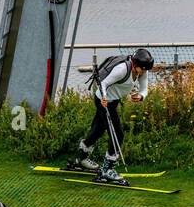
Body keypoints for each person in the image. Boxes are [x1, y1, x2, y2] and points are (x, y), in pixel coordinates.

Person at [66, 47, 155, 185]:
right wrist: (105, 98)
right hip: (104, 101)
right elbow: (103, 83)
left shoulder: (142, 70)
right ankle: (107, 170)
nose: (143, 72)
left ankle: (79, 159)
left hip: (113, 102)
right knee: (117, 134)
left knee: (97, 130)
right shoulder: (122, 69)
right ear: (135, 64)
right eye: (142, 69)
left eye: (145, 70)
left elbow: (144, 89)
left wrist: (141, 96)